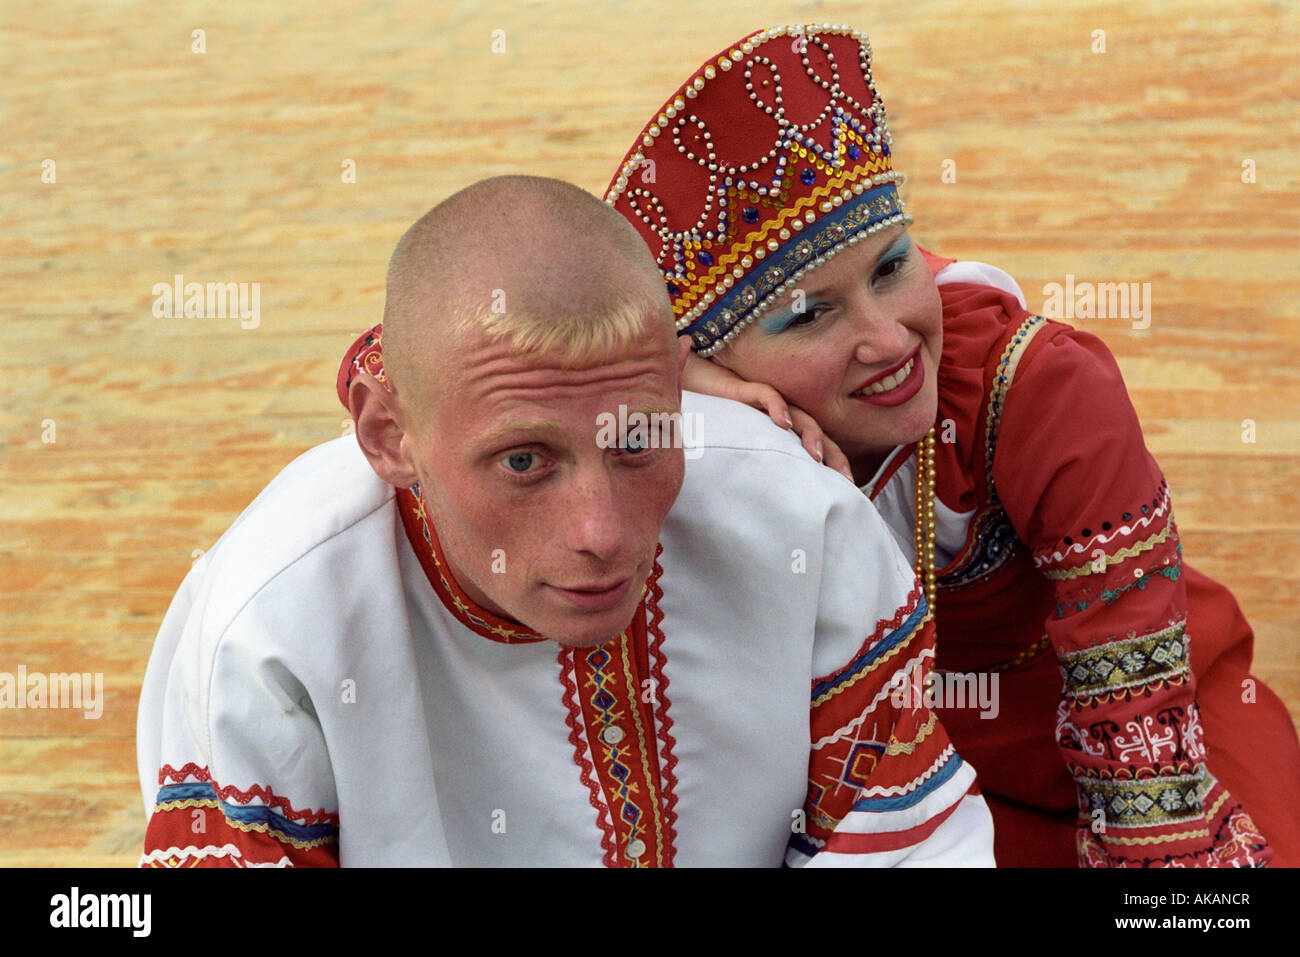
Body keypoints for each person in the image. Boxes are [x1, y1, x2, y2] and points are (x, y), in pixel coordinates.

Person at [593, 24, 1300, 867]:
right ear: (710, 353)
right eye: (810, 314)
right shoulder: (711, 435)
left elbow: (1144, 755)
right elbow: (434, 379)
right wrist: (675, 386)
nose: (888, 340)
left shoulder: (1037, 387)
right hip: (905, 758)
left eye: (891, 268)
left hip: (1147, 715)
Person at [137, 174, 995, 867]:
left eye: (639, 443)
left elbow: (911, 849)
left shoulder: (805, 528)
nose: (602, 531)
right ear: (387, 434)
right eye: (523, 463)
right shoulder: (273, 622)